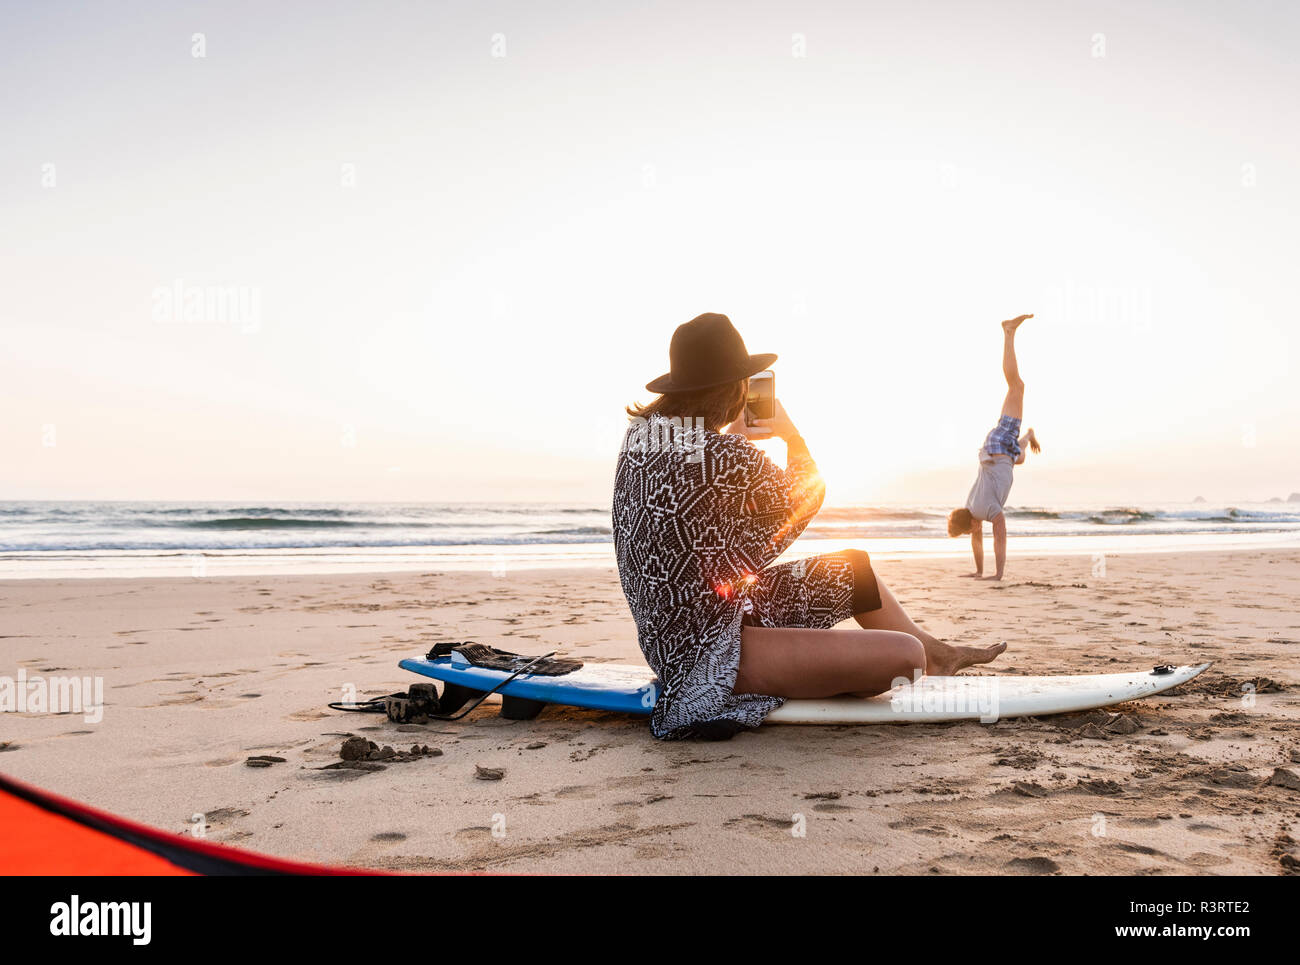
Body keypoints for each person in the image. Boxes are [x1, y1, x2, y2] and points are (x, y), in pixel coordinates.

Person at [612, 312, 1005, 740]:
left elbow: (702, 528)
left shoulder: (642, 440)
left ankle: (937, 653)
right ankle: (912, 656)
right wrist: (789, 434)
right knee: (904, 659)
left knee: (853, 569)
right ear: (735, 387)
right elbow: (805, 496)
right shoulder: (723, 456)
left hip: (677, 635)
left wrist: (734, 435)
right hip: (707, 657)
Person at [947, 314, 1042, 581]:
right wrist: (978, 572)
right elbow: (976, 537)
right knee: (1020, 458)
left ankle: (1008, 332)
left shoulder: (984, 509)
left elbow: (1000, 530)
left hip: (999, 443)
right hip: (1003, 451)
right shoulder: (970, 508)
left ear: (971, 522)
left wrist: (997, 574)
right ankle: (1029, 435)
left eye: (969, 530)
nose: (972, 533)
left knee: (1016, 386)